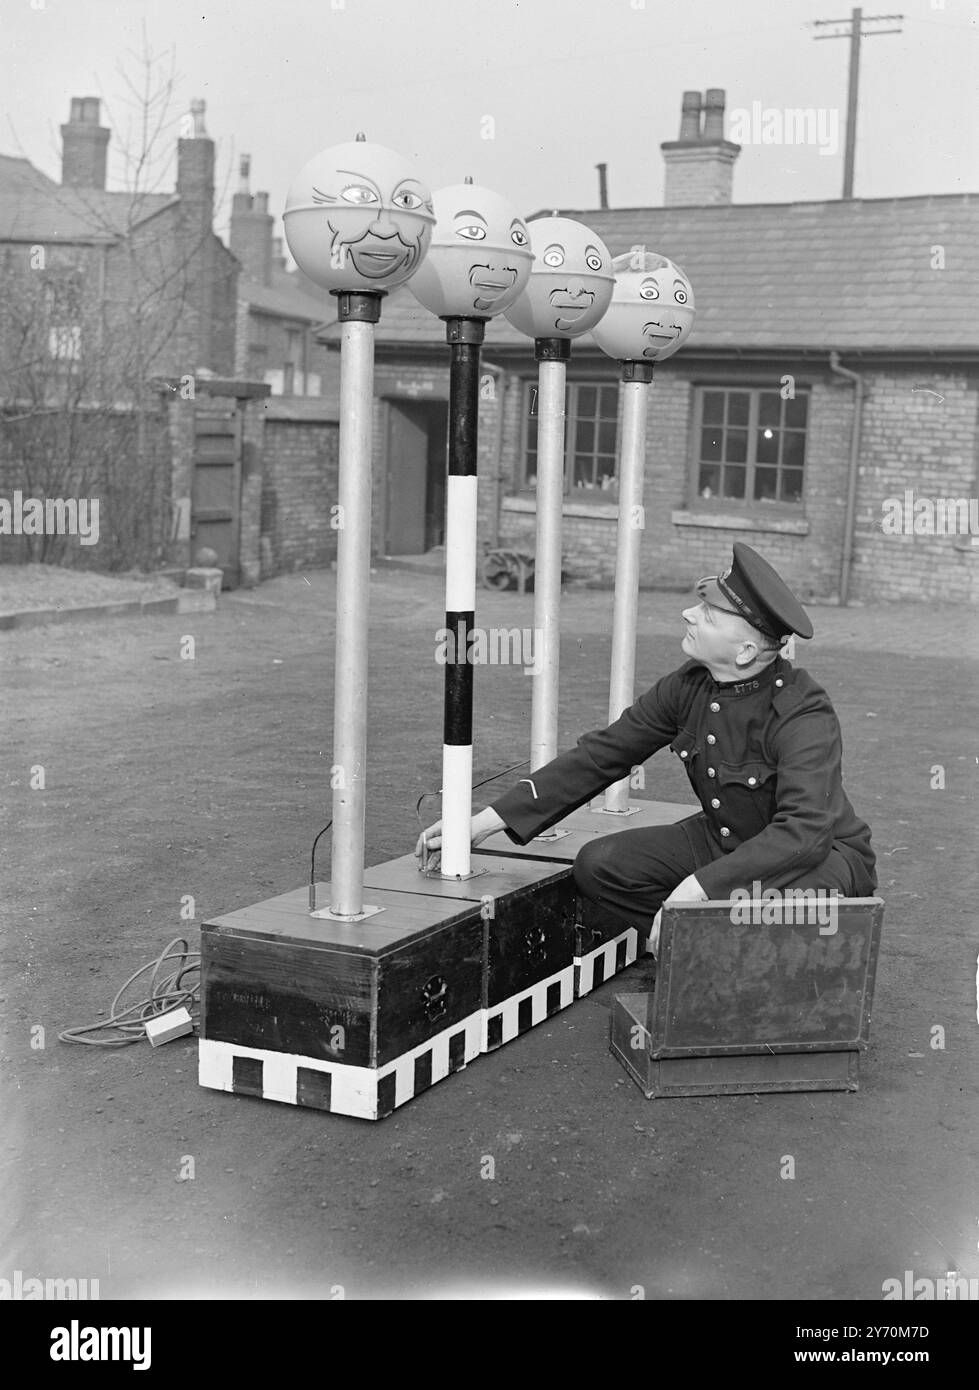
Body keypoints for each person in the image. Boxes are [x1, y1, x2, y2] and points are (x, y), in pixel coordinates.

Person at [415, 543, 877, 954]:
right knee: (601, 867)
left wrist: (698, 887)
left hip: (817, 859)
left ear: (744, 652)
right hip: (725, 840)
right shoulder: (689, 686)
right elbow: (602, 755)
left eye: (709, 615)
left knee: (803, 904)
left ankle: (731, 966)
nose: (689, 615)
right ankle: (702, 955)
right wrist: (482, 824)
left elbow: (803, 833)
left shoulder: (801, 711)